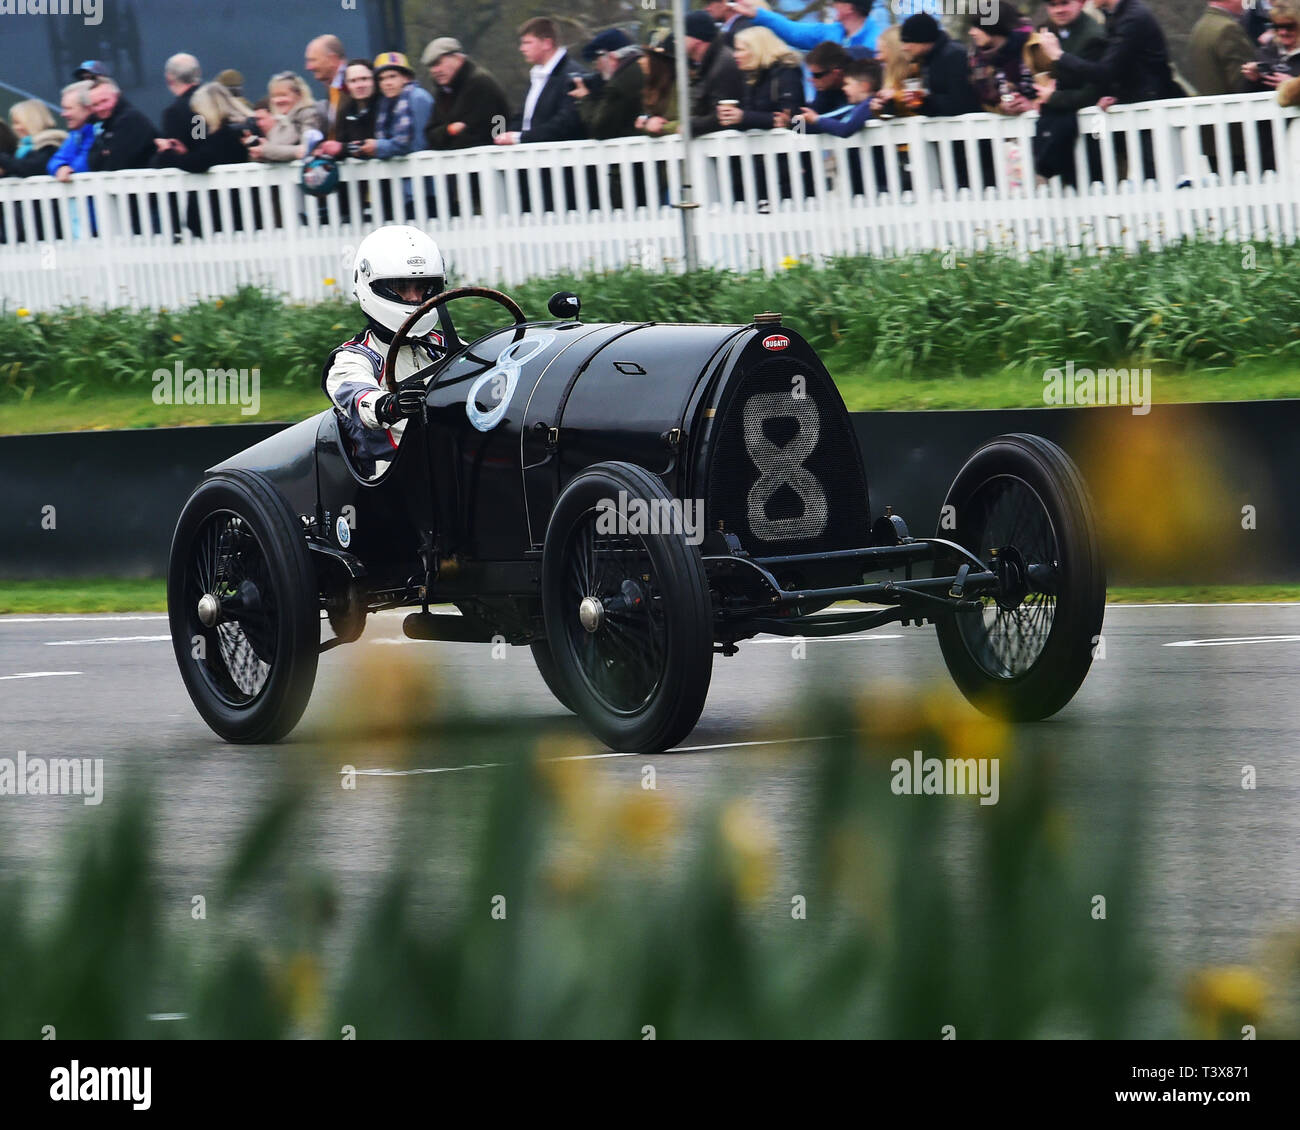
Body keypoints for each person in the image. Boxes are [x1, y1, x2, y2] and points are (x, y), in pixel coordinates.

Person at [322, 225, 450, 478]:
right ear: (372, 286)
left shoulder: (446, 345)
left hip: (453, 462)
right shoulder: (354, 357)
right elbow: (358, 397)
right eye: (402, 287)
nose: (415, 298)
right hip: (392, 477)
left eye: (423, 288)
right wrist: (391, 405)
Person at [1032, 0, 1106, 188]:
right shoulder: (1047, 31)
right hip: (1060, 133)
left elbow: (1092, 93)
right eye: (1052, 4)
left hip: (1092, 134)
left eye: (1064, 3)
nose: (1058, 10)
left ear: (1080, 3)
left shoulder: (1093, 37)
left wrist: (1052, 97)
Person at [494, 17, 584, 145]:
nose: (522, 48)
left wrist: (520, 138)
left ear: (546, 43)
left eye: (527, 43)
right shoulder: (537, 76)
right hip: (534, 160)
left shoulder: (573, 75)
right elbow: (523, 118)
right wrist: (508, 135)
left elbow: (565, 123)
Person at [421, 37, 510, 150]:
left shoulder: (480, 83)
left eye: (438, 63)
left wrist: (443, 136)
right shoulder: (443, 91)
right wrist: (449, 130)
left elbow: (478, 133)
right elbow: (430, 135)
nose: (435, 70)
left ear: (458, 58)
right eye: (431, 66)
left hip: (489, 161)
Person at [151, 82, 253, 172]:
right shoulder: (239, 128)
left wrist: (167, 153)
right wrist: (183, 153)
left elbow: (199, 163)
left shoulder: (223, 134)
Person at [718, 26, 804, 130]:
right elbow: (751, 117)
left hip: (793, 143)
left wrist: (743, 117)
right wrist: (733, 118)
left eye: (740, 50)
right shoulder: (751, 75)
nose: (735, 55)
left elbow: (792, 119)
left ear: (757, 50)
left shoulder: (787, 72)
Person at [728, 0, 890, 54]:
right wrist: (758, 14)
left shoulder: (878, 39)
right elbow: (793, 32)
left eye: (836, 2)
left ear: (848, 8)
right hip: (829, 115)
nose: (832, 5)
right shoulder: (829, 31)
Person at [898, 12, 980, 116]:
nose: (904, 48)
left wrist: (926, 100)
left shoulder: (954, 55)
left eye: (908, 42)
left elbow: (961, 102)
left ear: (923, 39)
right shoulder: (927, 60)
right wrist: (921, 104)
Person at [572, 29, 644, 140]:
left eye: (597, 60)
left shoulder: (620, 84)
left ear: (611, 57)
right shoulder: (641, 69)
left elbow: (599, 129)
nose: (596, 67)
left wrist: (585, 98)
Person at [683, 9, 745, 136]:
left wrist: (689, 126)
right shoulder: (707, 63)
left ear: (696, 39)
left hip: (728, 150)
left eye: (682, 35)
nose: (677, 40)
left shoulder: (723, 64)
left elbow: (721, 116)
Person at [967, 7, 1040, 113]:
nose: (971, 32)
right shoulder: (978, 59)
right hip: (1004, 126)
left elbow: (1055, 88)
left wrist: (1033, 105)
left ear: (993, 27)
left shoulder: (1034, 46)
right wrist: (1002, 107)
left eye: (977, 27)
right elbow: (984, 101)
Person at [246, 72, 325, 162]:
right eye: (274, 96)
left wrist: (266, 150)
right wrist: (260, 150)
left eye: (283, 95)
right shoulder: (280, 122)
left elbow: (305, 151)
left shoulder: (309, 115)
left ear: (299, 95)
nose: (278, 100)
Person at [370, 52, 434, 159]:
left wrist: (379, 146)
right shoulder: (385, 104)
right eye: (382, 79)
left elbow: (420, 145)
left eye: (392, 76)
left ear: (407, 78)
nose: (387, 83)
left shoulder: (418, 97)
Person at [87, 77, 158, 170]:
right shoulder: (104, 124)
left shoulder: (131, 120)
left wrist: (105, 153)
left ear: (117, 96)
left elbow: (116, 164)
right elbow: (92, 163)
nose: (101, 108)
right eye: (95, 105)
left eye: (104, 101)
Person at [798, 58, 879, 135]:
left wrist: (816, 119)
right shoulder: (858, 107)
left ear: (864, 86)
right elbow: (833, 119)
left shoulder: (869, 105)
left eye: (847, 84)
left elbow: (845, 128)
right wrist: (807, 120)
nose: (844, 88)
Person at [1189, 0, 1255, 95]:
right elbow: (1243, 82)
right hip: (1234, 106)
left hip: (1209, 105)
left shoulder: (1200, 27)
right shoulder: (1228, 28)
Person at [0, 100, 68, 178]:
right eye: (13, 123)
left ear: (32, 121)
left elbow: (29, 168)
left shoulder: (51, 144)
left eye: (18, 122)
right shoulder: (22, 148)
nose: (15, 128)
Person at [47, 81, 98, 181]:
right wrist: (60, 167)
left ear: (88, 108)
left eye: (68, 109)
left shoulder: (98, 131)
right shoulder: (76, 134)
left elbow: (86, 163)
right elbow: (55, 160)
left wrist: (70, 170)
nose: (63, 114)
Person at [1242, 2, 1300, 87]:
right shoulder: (1264, 53)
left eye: (1289, 27)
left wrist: (1294, 85)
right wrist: (1252, 79)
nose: (1282, 32)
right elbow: (1246, 95)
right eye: (1277, 27)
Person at [305, 34, 349, 140]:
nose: (308, 67)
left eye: (313, 60)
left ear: (333, 60)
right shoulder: (332, 87)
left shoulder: (352, 85)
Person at [158, 53, 202, 147]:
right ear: (198, 73)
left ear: (168, 79)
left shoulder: (174, 113)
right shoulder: (218, 99)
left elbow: (173, 156)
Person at [805, 42, 851, 115]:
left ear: (836, 73)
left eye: (817, 75)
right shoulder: (825, 87)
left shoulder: (860, 81)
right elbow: (816, 113)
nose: (810, 79)